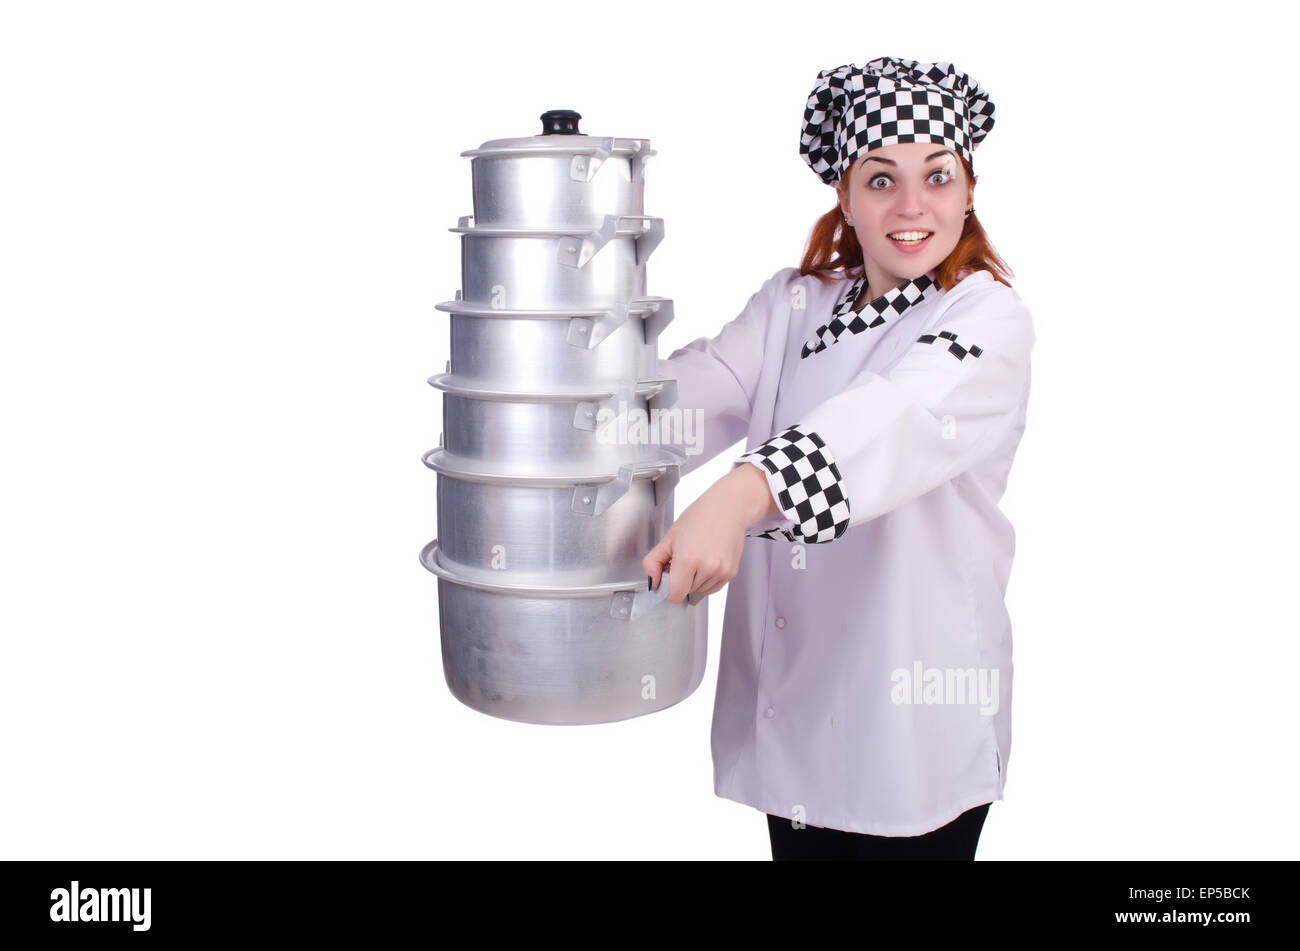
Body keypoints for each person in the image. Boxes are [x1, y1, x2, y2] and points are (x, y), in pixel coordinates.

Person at [643, 57, 1035, 860]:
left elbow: (891, 422)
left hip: (910, 738)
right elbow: (685, 403)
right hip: (794, 721)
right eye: (881, 179)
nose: (913, 205)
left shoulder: (988, 316)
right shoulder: (795, 302)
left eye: (938, 175)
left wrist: (742, 493)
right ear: (846, 197)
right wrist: (574, 398)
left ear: (968, 191)